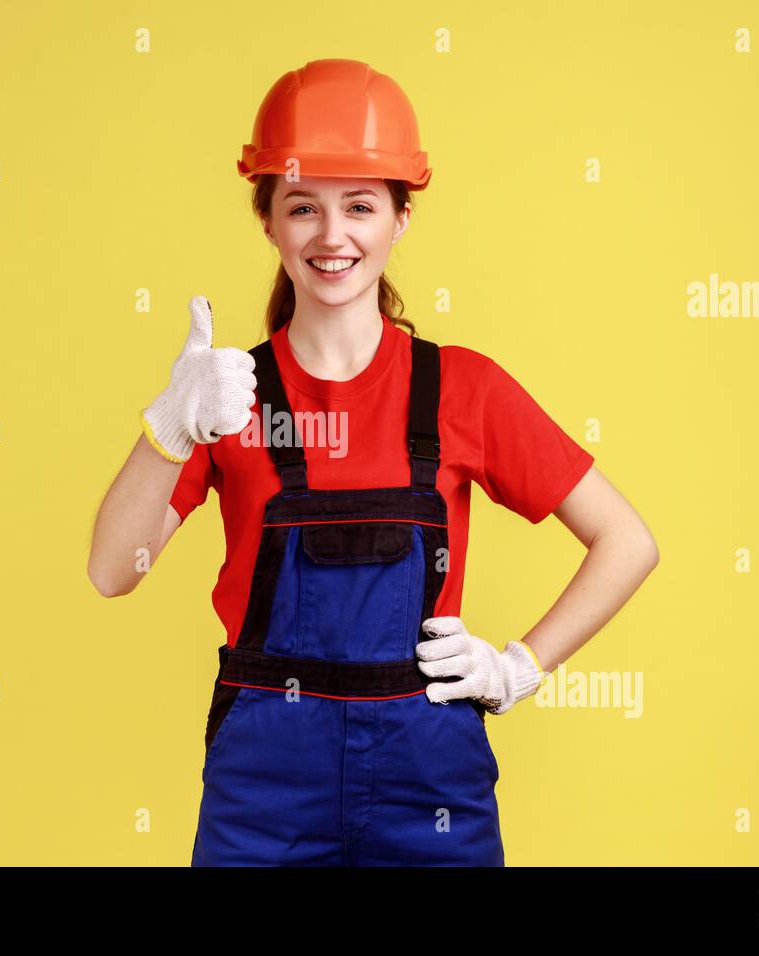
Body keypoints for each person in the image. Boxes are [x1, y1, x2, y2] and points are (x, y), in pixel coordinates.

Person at [88, 59, 659, 866]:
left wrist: (517, 668)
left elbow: (628, 541)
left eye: (360, 206)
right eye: (302, 208)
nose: (332, 236)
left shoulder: (464, 388)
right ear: (268, 223)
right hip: (265, 795)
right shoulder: (223, 397)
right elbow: (112, 569)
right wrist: (168, 427)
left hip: (430, 786)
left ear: (400, 219)